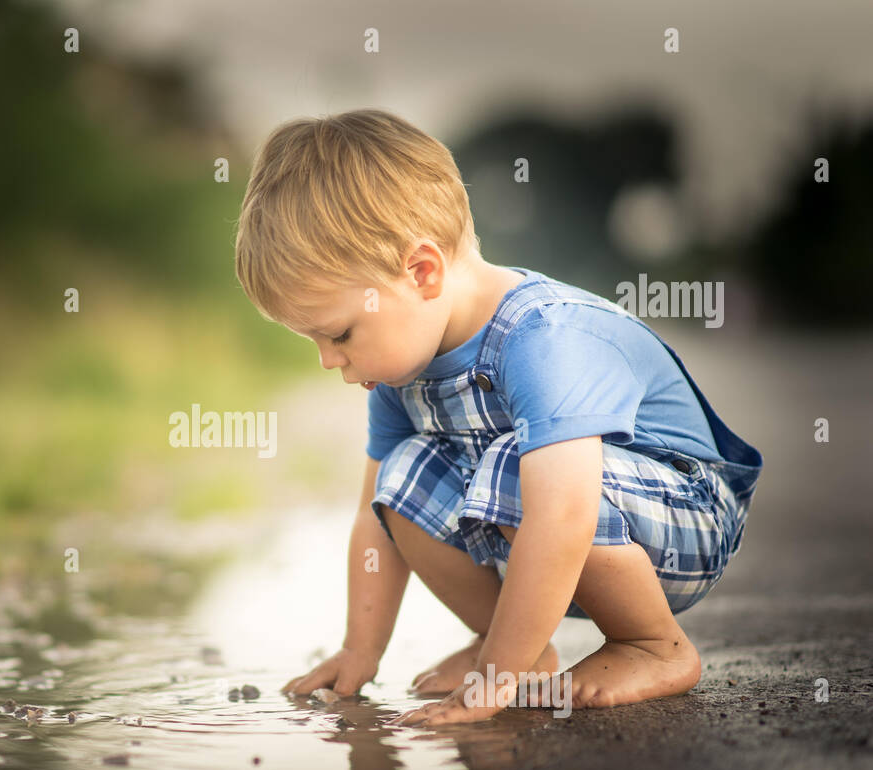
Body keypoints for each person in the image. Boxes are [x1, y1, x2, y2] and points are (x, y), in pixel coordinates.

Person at [232, 109, 763, 726]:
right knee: (397, 479)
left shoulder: (543, 338)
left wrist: (492, 683)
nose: (329, 361)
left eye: (341, 333)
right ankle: (518, 646)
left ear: (422, 273)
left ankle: (653, 644)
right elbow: (372, 520)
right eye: (315, 343)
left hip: (685, 517)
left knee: (520, 465)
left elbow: (563, 511)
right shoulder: (400, 370)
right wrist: (360, 650)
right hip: (563, 528)